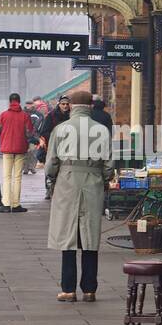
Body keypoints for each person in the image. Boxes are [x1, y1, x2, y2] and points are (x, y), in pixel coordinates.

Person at [45, 90, 115, 302]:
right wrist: (103, 178)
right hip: (92, 181)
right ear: (90, 107)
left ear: (72, 106)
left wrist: (52, 177)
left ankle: (68, 289)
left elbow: (51, 163)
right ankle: (89, 289)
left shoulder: (60, 129)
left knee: (68, 237)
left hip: (67, 181)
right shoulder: (101, 130)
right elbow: (109, 163)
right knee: (90, 237)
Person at [0, 92, 36, 213]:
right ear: (19, 101)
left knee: (7, 177)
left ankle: (6, 204)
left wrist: (5, 134)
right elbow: (29, 133)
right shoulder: (25, 116)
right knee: (17, 177)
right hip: (20, 149)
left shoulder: (3, 115)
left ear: (9, 101)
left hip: (7, 149)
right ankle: (16, 204)